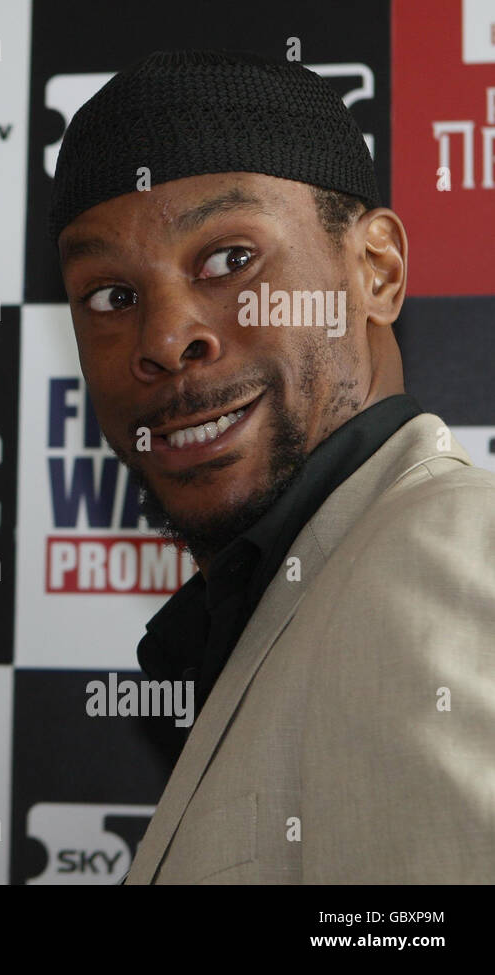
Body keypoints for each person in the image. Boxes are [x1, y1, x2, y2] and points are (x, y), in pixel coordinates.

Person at [49, 50, 495, 883]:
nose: (164, 338)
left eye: (229, 260)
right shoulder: (285, 601)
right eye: (112, 296)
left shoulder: (455, 547)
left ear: (376, 271)